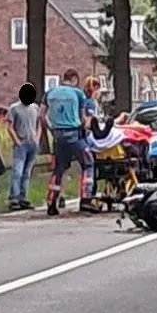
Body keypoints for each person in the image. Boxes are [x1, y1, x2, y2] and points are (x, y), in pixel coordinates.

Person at [41, 69, 97, 216]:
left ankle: (51, 203)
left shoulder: (49, 93)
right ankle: (86, 199)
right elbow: (83, 118)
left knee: (59, 169)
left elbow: (42, 115)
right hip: (74, 135)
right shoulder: (78, 93)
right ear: (74, 79)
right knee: (88, 163)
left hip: (58, 137)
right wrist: (88, 129)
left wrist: (51, 128)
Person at [7, 82, 41, 210]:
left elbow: (39, 125)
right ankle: (14, 197)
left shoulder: (35, 108)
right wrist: (16, 141)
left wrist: (37, 138)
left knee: (27, 172)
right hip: (21, 142)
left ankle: (23, 197)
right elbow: (10, 126)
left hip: (32, 143)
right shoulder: (14, 108)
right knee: (17, 171)